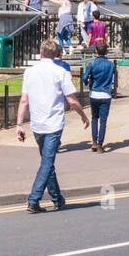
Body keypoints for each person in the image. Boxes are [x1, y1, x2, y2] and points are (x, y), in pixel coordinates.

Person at [15, 39, 89, 213]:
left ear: (41, 54)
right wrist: (84, 116)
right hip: (54, 124)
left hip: (37, 124)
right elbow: (71, 100)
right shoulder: (60, 72)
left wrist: (19, 124)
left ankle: (57, 199)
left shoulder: (29, 72)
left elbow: (24, 100)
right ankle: (34, 199)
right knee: (47, 163)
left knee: (47, 162)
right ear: (57, 55)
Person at [82, 41, 118, 152]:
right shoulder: (111, 64)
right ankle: (100, 144)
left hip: (94, 93)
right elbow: (115, 78)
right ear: (106, 51)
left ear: (96, 51)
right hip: (106, 94)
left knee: (94, 118)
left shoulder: (92, 64)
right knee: (103, 121)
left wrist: (87, 83)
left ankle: (94, 141)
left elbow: (84, 77)